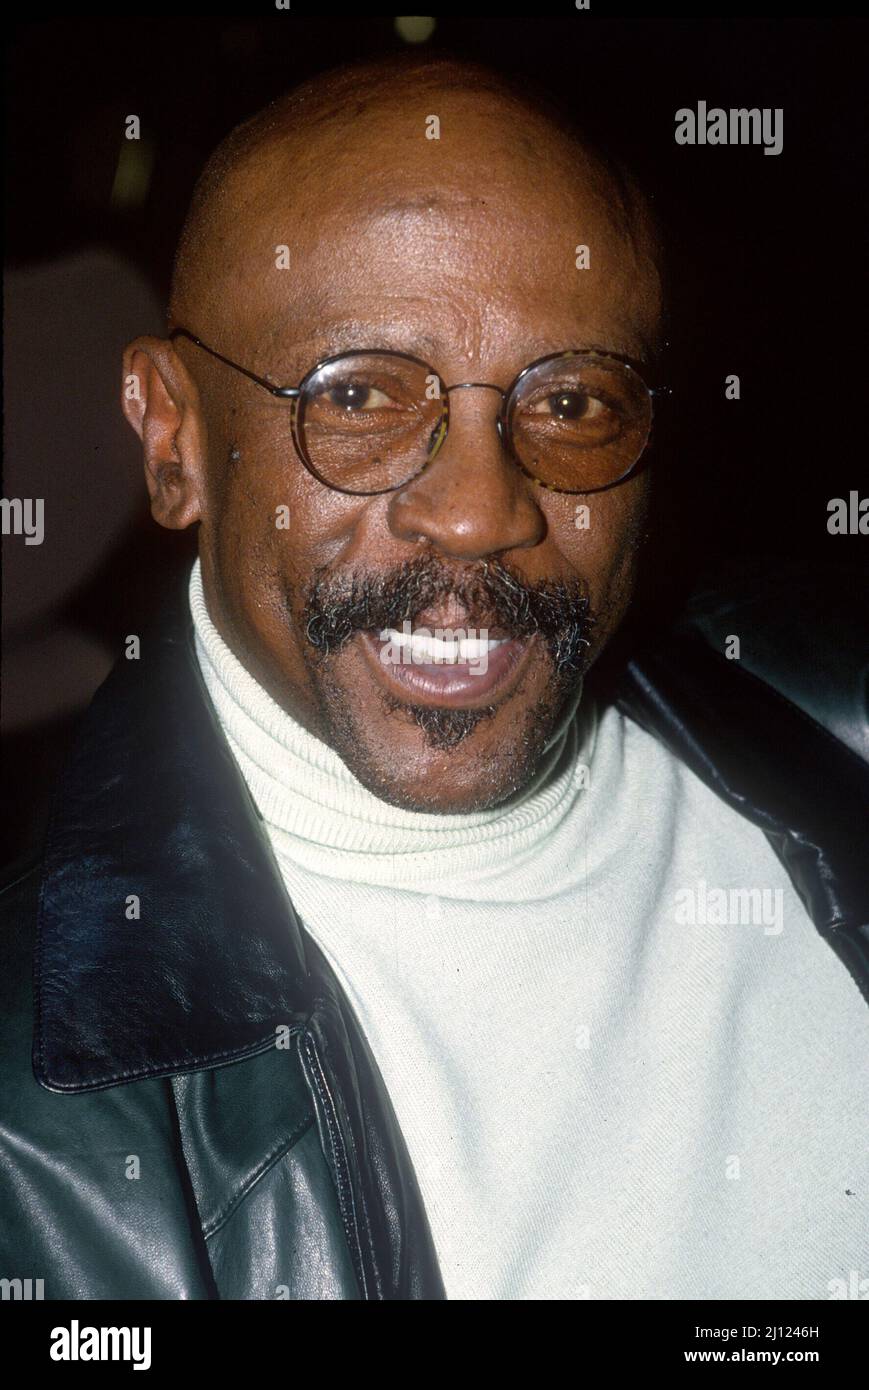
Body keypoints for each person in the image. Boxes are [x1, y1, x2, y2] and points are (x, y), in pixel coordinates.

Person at [1, 52, 867, 1302]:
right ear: (172, 433)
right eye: (355, 395)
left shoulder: (834, 731)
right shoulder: (40, 1133)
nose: (477, 512)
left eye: (571, 400)